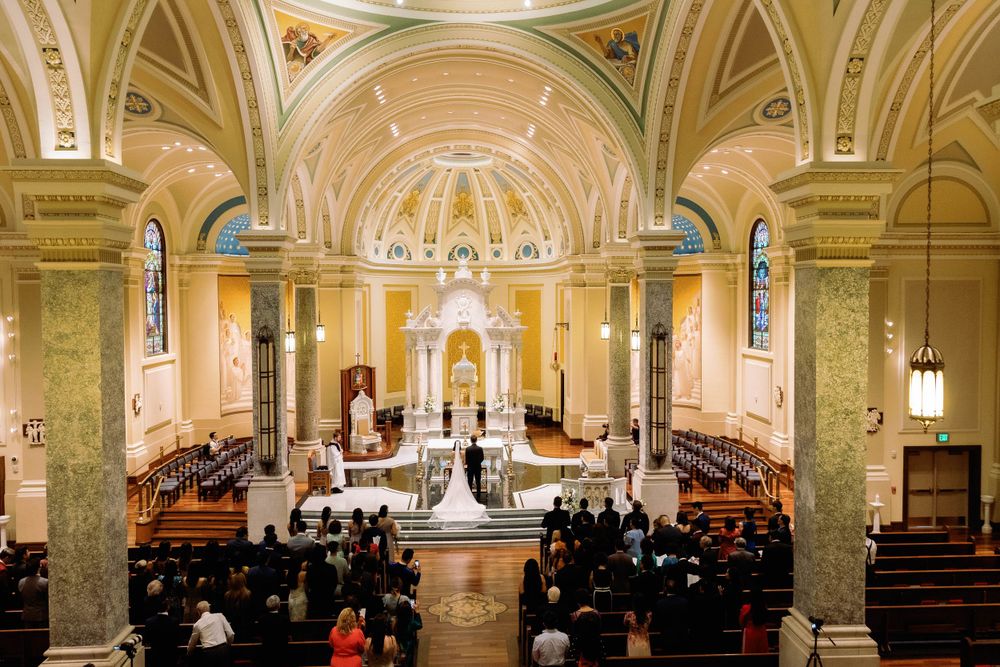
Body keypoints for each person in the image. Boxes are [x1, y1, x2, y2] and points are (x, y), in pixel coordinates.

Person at [428, 440, 491, 529]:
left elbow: (452, 461)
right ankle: (472, 496)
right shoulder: (462, 452)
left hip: (455, 469)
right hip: (461, 468)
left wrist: (455, 464)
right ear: (460, 445)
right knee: (463, 481)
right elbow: (465, 461)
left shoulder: (453, 452)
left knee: (454, 481)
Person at [187, 601, 234, 666]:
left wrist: (188, 653)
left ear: (198, 611)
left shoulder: (197, 624)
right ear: (209, 608)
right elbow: (231, 634)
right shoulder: (220, 616)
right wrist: (227, 645)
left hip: (208, 654)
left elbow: (192, 644)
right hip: (223, 650)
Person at [143, 597, 181, 667]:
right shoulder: (174, 621)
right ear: (168, 607)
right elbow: (178, 638)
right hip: (170, 655)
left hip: (155, 655)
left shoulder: (149, 621)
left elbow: (146, 639)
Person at [256, 595, 289, 667]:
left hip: (267, 652)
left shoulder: (262, 619)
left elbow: (260, 636)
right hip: (282, 652)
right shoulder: (285, 619)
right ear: (279, 605)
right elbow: (288, 635)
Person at [18, 558, 48, 627]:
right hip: (41, 616)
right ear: (39, 568)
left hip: (27, 615)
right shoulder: (45, 582)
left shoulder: (21, 581)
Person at [394, 599, 422, 667]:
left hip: (398, 644)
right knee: (408, 662)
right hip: (408, 645)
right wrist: (417, 612)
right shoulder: (410, 623)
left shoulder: (395, 622)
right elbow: (419, 625)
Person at [740, 587, 770, 653]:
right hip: (762, 632)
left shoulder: (746, 608)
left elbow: (741, 623)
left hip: (749, 633)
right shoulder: (764, 607)